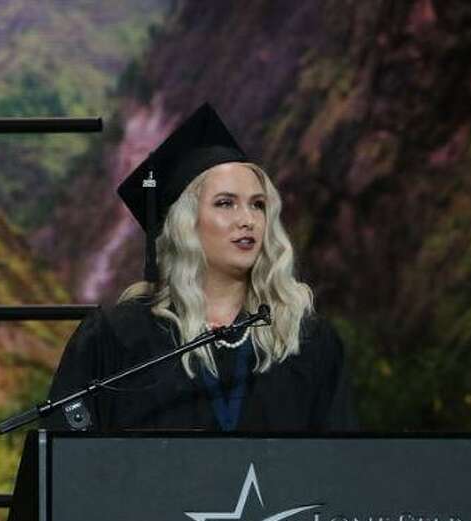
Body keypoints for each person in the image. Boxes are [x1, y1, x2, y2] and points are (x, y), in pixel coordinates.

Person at [46, 103, 356, 432]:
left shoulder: (304, 341)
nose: (247, 220)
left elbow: (340, 470)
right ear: (185, 224)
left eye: (258, 205)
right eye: (225, 203)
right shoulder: (118, 338)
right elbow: (66, 469)